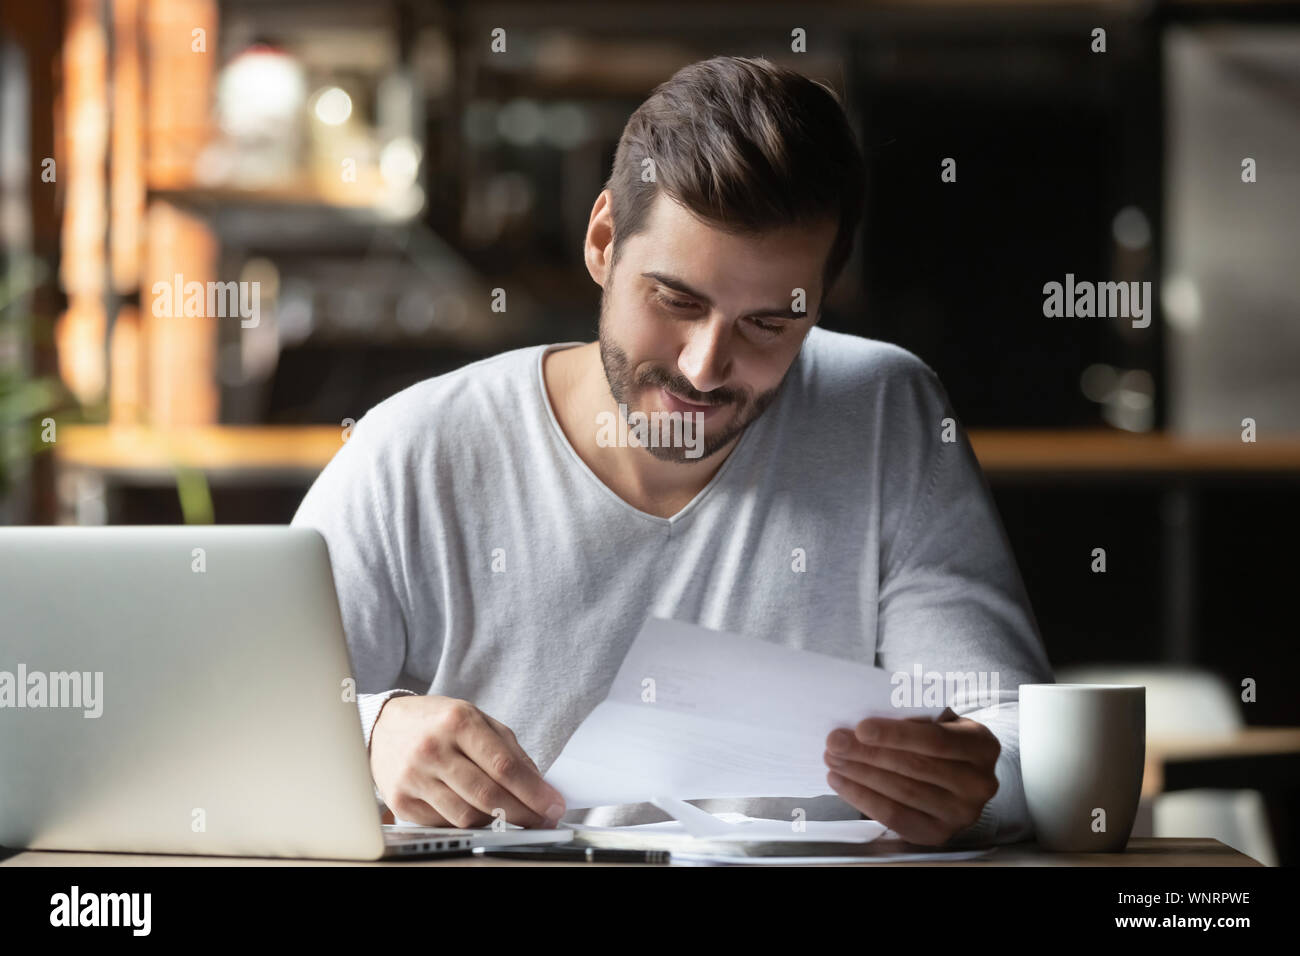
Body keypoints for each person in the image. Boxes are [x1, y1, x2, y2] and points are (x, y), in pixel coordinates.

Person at [291, 54, 1053, 847]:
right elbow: (230, 719)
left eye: (769, 323)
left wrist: (980, 779)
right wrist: (372, 729)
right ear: (602, 241)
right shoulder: (415, 449)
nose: (703, 367)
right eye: (676, 300)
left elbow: (1023, 737)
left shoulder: (884, 414)